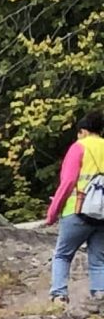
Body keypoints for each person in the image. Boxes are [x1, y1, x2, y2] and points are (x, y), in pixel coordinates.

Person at [44, 114, 104, 307]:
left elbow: (68, 182)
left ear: (83, 131)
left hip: (77, 211)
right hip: (103, 214)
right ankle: (100, 296)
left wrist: (52, 213)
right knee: (99, 259)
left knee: (63, 255)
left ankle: (59, 296)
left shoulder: (79, 147)